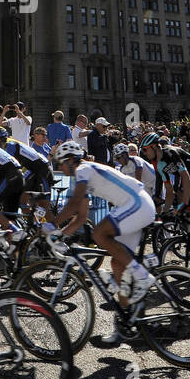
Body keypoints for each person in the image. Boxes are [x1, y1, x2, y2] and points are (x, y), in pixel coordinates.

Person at [49, 139, 156, 345]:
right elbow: (80, 217)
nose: (60, 167)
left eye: (61, 163)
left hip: (137, 202)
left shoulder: (84, 169)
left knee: (99, 234)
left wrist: (52, 224)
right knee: (117, 265)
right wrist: (60, 234)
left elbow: (72, 205)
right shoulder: (83, 176)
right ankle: (126, 323)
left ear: (71, 160)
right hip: (133, 205)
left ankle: (143, 275)